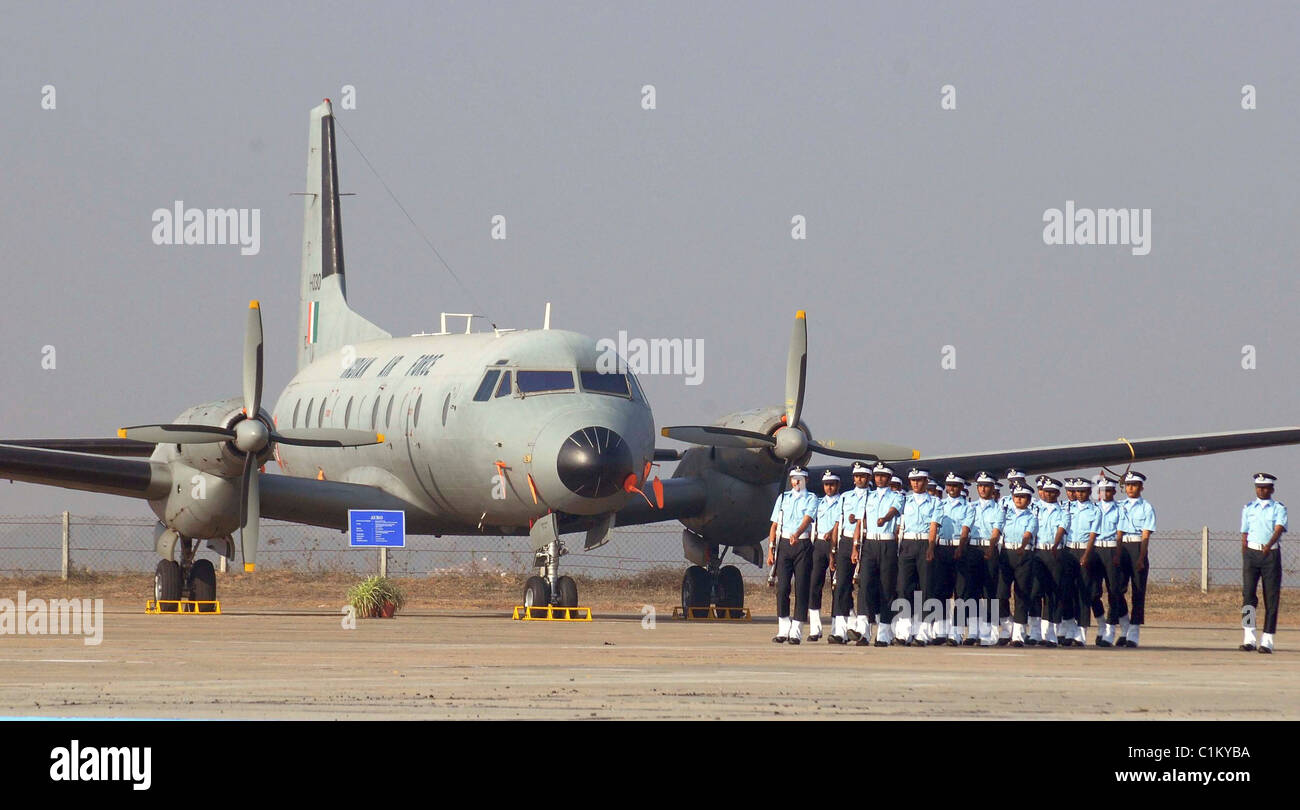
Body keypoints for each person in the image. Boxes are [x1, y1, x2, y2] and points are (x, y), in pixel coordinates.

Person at [853, 462, 904, 646]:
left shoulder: (897, 496)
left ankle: (883, 633)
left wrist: (885, 518)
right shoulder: (868, 496)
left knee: (886, 588)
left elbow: (894, 511)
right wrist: (855, 546)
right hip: (869, 543)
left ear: (889, 478)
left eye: (883, 476)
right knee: (865, 585)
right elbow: (861, 521)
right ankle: (864, 632)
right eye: (877, 476)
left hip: (887, 543)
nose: (879, 479)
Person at [767, 467, 818, 644]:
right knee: (782, 588)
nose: (797, 482)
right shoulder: (783, 498)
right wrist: (771, 549)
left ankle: (796, 631)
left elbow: (807, 519)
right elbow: (774, 524)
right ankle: (783, 629)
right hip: (784, 544)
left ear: (806, 480)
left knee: (801, 587)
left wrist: (797, 533)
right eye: (794, 478)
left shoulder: (811, 498)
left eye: (800, 478)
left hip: (802, 544)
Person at [1240, 473, 1286, 653]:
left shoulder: (1278, 508)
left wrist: (1269, 544)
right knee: (1248, 596)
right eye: (1259, 487)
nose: (1261, 490)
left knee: (1271, 598)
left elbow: (1279, 528)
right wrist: (1245, 552)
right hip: (1252, 553)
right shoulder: (1248, 508)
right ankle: (1249, 637)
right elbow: (1244, 532)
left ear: (1272, 489)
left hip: (1270, 554)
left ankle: (1267, 639)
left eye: (1265, 488)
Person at [897, 469, 941, 645]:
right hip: (907, 543)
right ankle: (904, 630)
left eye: (919, 480)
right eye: (913, 480)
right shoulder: (904, 500)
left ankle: (924, 631)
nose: (916, 483)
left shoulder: (935, 502)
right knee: (903, 587)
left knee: (926, 587)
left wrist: (931, 546)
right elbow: (899, 525)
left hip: (924, 542)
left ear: (926, 481)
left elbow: (933, 526)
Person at [829, 462, 870, 644]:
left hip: (866, 542)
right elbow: (838, 523)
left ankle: (864, 631)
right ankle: (840, 631)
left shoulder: (872, 497)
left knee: (865, 586)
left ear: (868, 478)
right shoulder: (845, 497)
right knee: (841, 586)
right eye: (856, 476)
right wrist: (833, 550)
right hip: (845, 541)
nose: (859, 479)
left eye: (862, 476)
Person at [962, 472, 1004, 645]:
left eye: (986, 486)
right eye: (980, 486)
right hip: (972, 549)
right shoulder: (970, 507)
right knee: (972, 590)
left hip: (989, 548)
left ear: (993, 488)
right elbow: (965, 528)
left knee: (990, 591)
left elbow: (996, 531)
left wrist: (991, 548)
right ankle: (973, 632)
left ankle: (990, 633)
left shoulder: (999, 509)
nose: (983, 489)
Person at [1115, 471, 1156, 648]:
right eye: (1128, 485)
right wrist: (1117, 553)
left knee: (1138, 591)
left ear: (1141, 488)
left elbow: (1146, 534)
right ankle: (1125, 626)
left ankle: (1134, 631)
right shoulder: (1119, 506)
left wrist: (1141, 556)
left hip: (1138, 546)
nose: (1130, 488)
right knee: (1117, 589)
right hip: (1121, 546)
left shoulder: (1146, 507)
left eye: (1134, 485)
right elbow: (1117, 531)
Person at [933, 473, 972, 645]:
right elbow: (934, 526)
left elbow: (965, 530)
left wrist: (960, 548)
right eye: (949, 485)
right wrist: (931, 548)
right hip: (942, 548)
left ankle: (956, 632)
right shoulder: (940, 505)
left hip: (959, 548)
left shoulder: (968, 507)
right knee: (941, 590)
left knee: (960, 592)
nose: (951, 488)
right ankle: (941, 631)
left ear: (961, 487)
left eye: (955, 485)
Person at [1064, 478, 1103, 646]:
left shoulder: (1095, 510)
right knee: (1068, 591)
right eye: (1077, 491)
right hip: (1068, 550)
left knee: (1083, 592)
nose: (1079, 494)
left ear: (1089, 492)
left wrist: (1087, 554)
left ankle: (1081, 632)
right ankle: (1069, 629)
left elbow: (1093, 535)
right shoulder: (1067, 507)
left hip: (1084, 550)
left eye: (1083, 491)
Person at [1032, 477, 1069, 647]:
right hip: (1038, 552)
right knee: (1035, 591)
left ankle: (1052, 633)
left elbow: (1061, 529)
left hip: (1055, 553)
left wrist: (1055, 544)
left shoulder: (1063, 512)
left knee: (1054, 593)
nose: (1048, 494)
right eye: (1046, 491)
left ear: (1058, 494)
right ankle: (1035, 632)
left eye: (1052, 492)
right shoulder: (1035, 510)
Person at [1001, 483, 1038, 646]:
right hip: (1006, 553)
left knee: (1021, 594)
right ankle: (1007, 627)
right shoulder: (1005, 515)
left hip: (1024, 555)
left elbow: (1028, 534)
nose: (1019, 499)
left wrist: (1022, 546)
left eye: (1022, 497)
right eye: (1016, 496)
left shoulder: (1032, 518)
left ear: (1028, 500)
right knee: (1000, 594)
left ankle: (1018, 635)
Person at [808, 470, 843, 642]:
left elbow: (840, 523)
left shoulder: (843, 502)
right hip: (819, 544)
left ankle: (837, 628)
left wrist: (831, 533)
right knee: (814, 585)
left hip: (836, 545)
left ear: (838, 485)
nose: (829, 488)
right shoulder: (819, 503)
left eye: (832, 484)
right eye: (826, 485)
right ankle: (815, 628)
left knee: (837, 586)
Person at [1094, 477, 1123, 647]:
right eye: (1102, 490)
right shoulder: (1094, 508)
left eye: (1108, 490)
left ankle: (1110, 630)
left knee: (1114, 591)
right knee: (1092, 592)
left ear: (1114, 492)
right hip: (1095, 549)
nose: (1105, 493)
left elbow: (1120, 533)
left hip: (1111, 549)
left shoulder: (1119, 509)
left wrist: (1118, 553)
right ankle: (1101, 623)